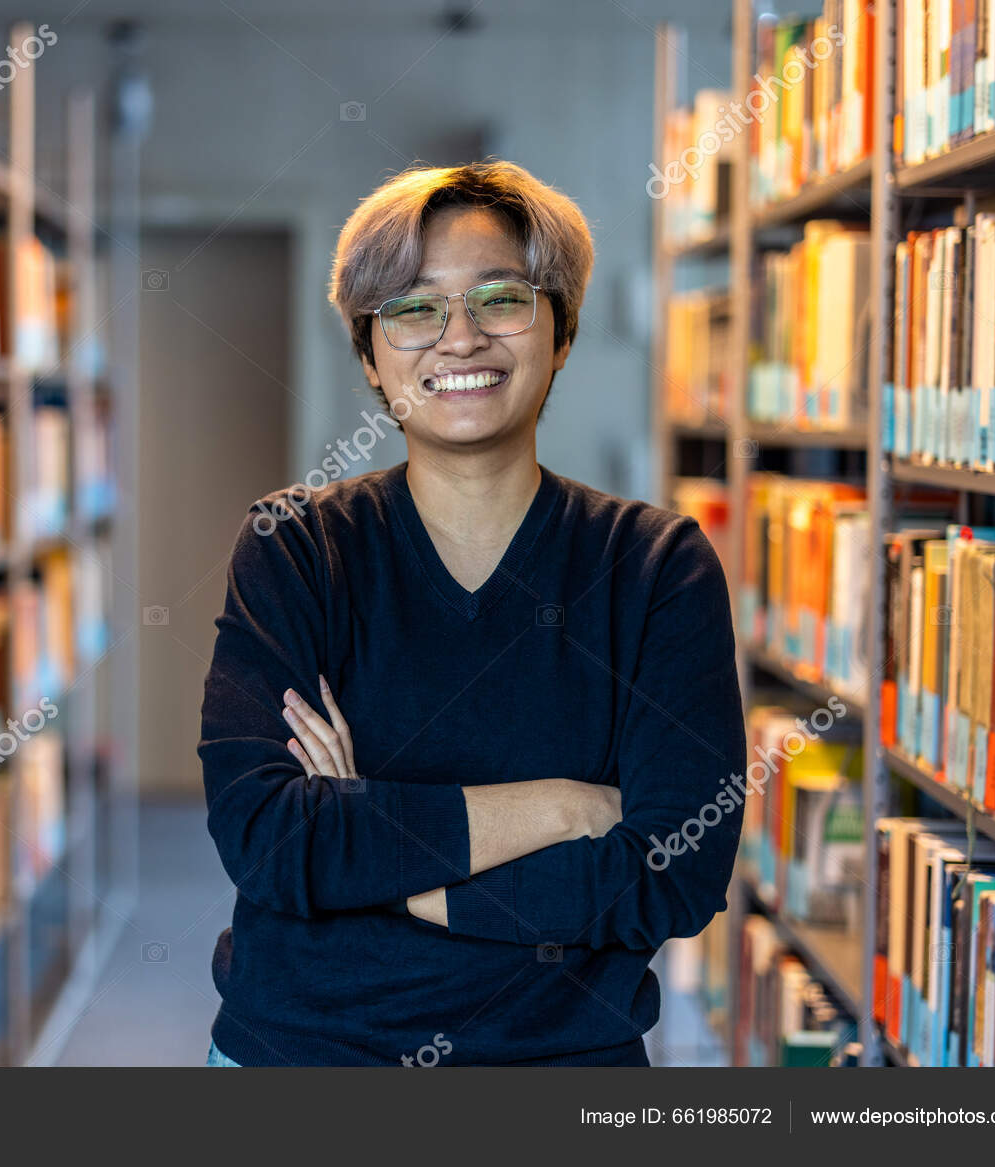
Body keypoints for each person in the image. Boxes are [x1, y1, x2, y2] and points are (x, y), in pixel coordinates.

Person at [197, 160, 746, 1067]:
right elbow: (267, 838)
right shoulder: (296, 548)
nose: (459, 338)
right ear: (371, 356)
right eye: (414, 309)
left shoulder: (654, 567)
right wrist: (566, 807)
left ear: (561, 332)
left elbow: (675, 870)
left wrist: (383, 862)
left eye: (502, 298)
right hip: (302, 1053)